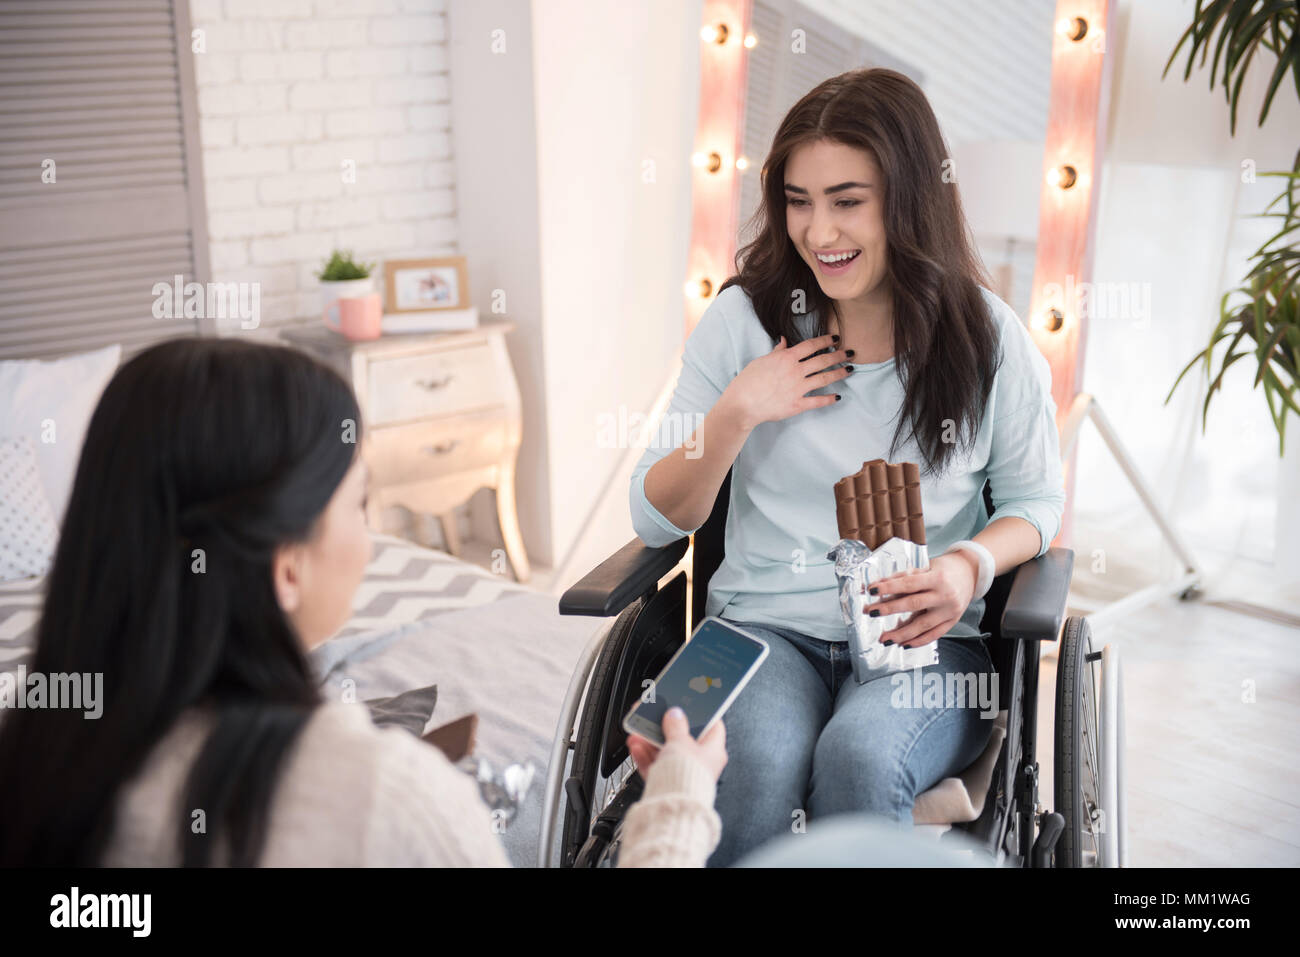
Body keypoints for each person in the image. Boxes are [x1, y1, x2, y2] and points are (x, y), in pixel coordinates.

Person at [0, 337, 726, 867]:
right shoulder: (379, 792)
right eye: (360, 503)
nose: (372, 538)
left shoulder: (35, 761)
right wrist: (677, 800)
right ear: (285, 568)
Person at [628, 68, 1066, 866]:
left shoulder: (990, 341)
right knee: (751, 766)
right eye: (798, 200)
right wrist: (736, 412)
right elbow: (657, 515)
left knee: (861, 760)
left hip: (925, 642)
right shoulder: (741, 323)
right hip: (761, 634)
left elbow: (1036, 503)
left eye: (847, 200)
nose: (817, 230)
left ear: (908, 199)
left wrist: (969, 565)